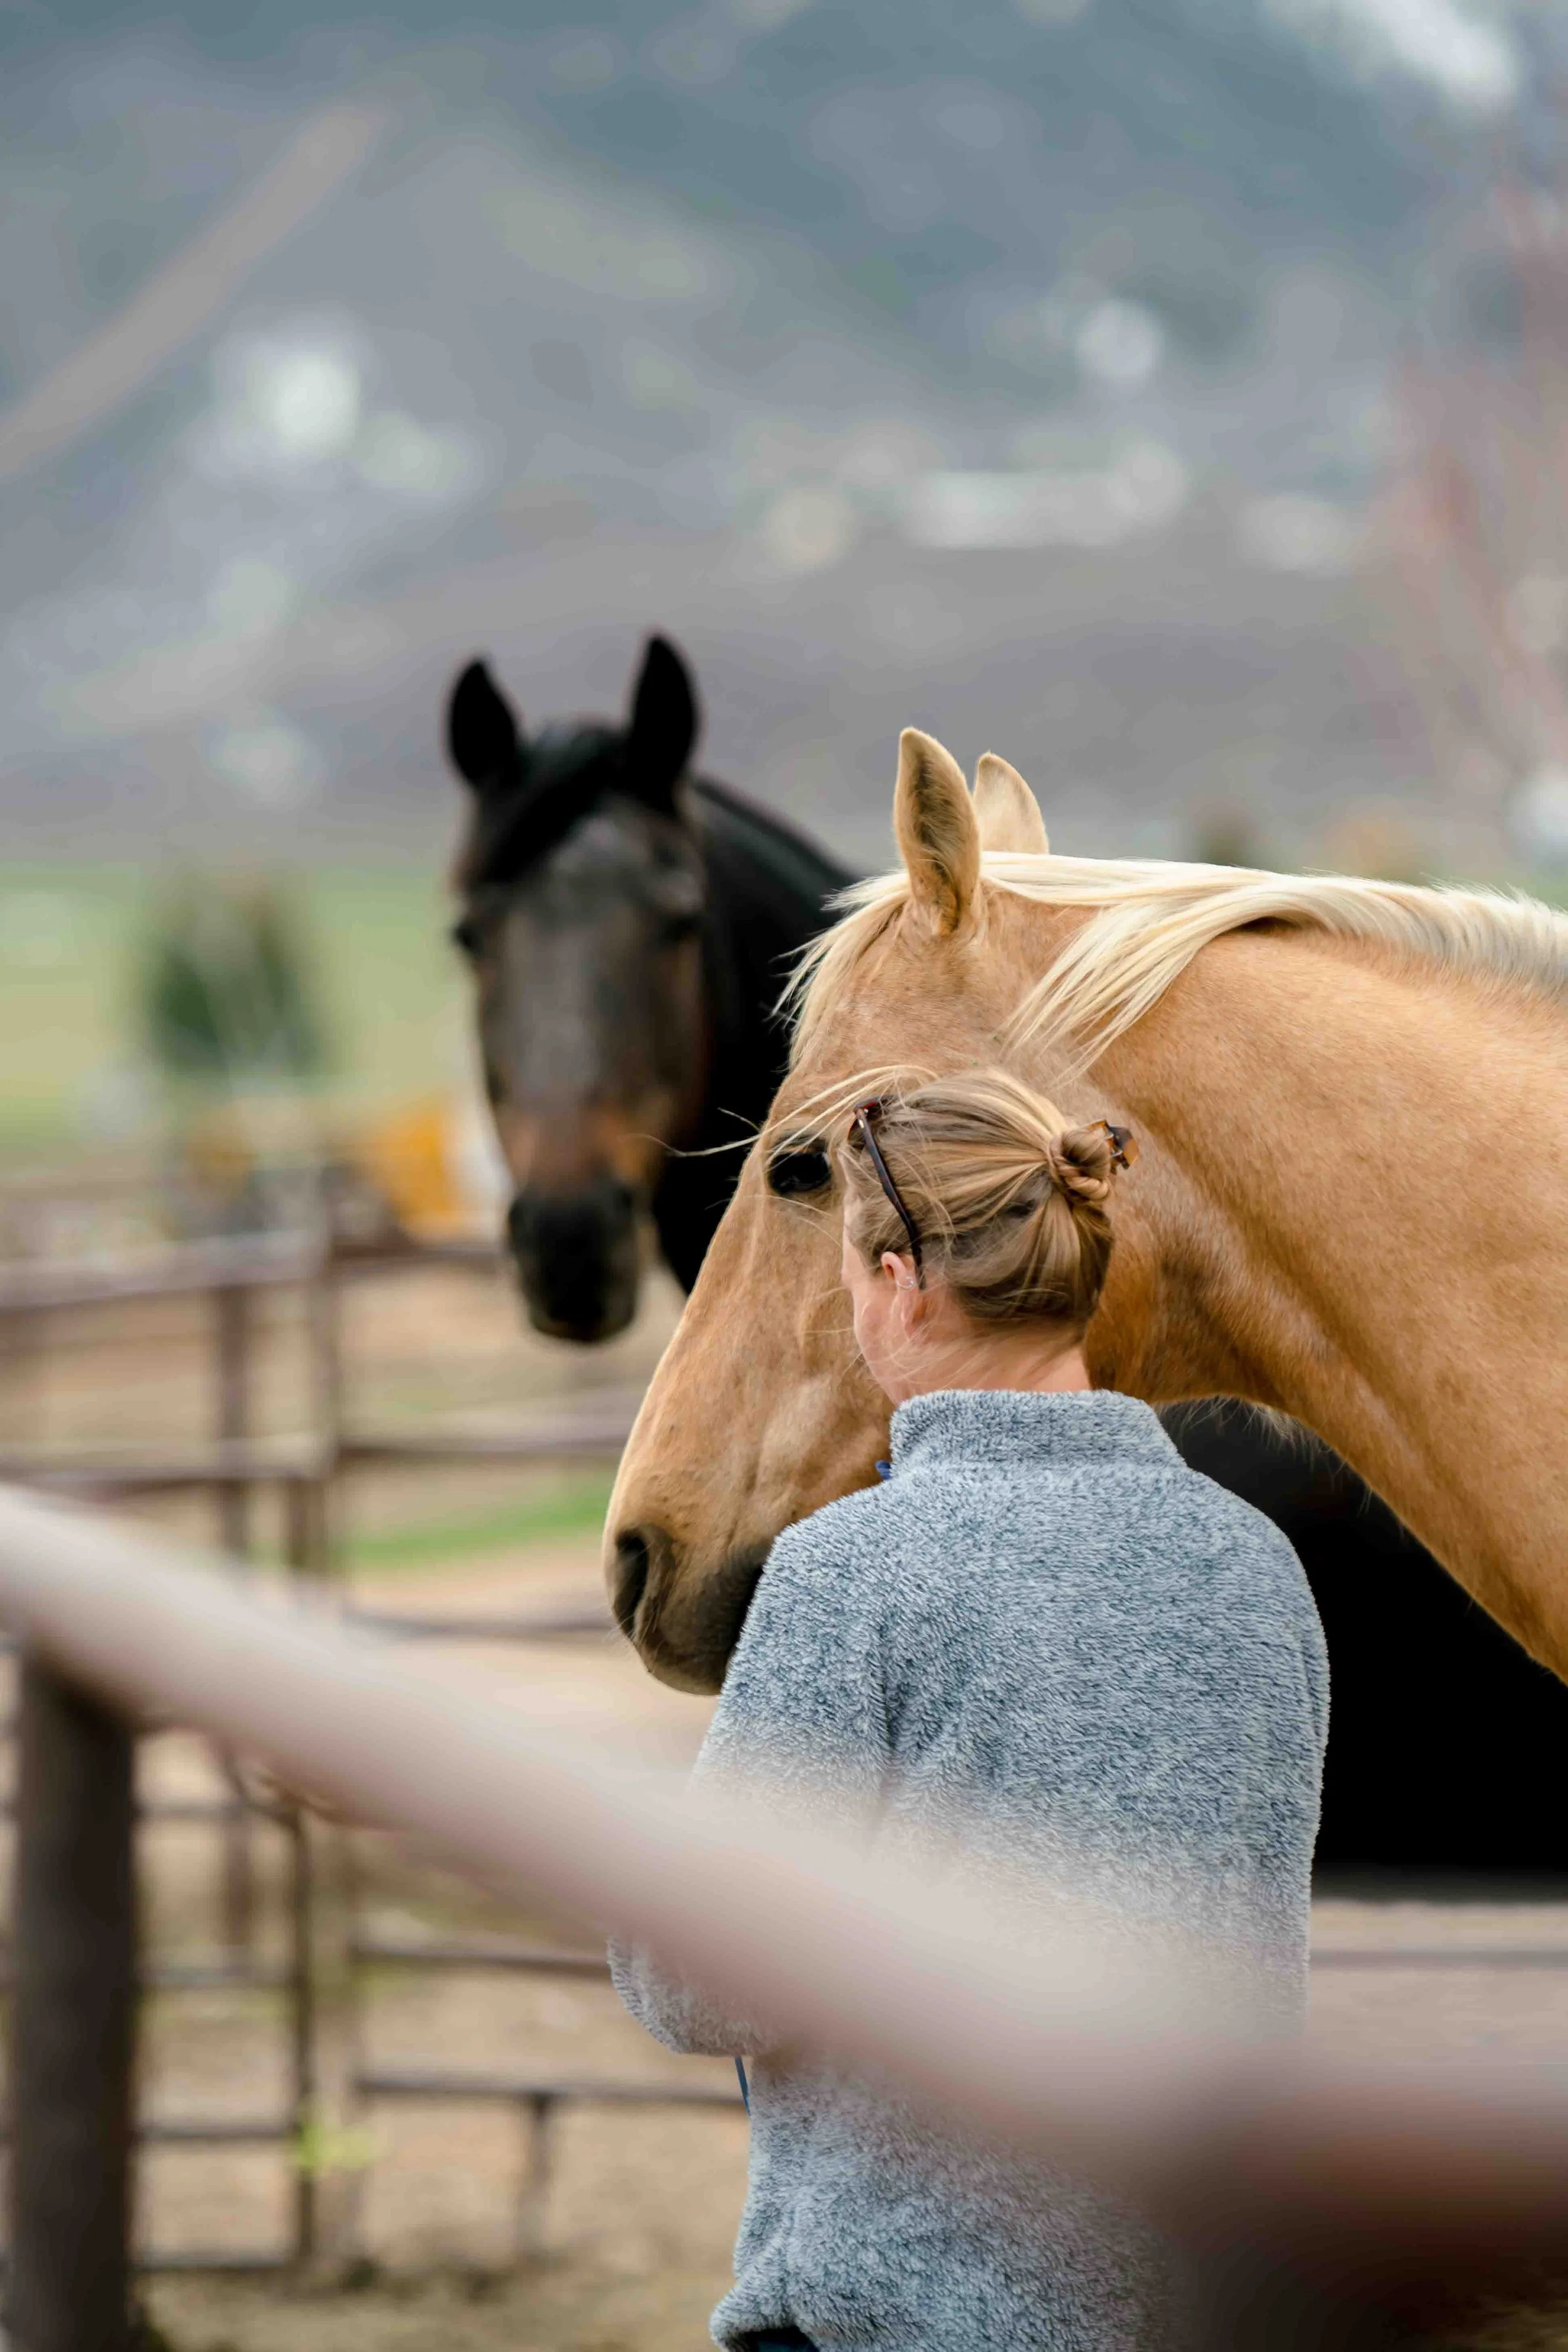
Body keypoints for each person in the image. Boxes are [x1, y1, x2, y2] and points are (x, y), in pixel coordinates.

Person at [611, 1067, 1327, 2351]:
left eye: (848, 1276)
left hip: (901, 2313)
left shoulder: (853, 1573)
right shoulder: (1254, 1564)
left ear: (901, 1282)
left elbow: (708, 1988)